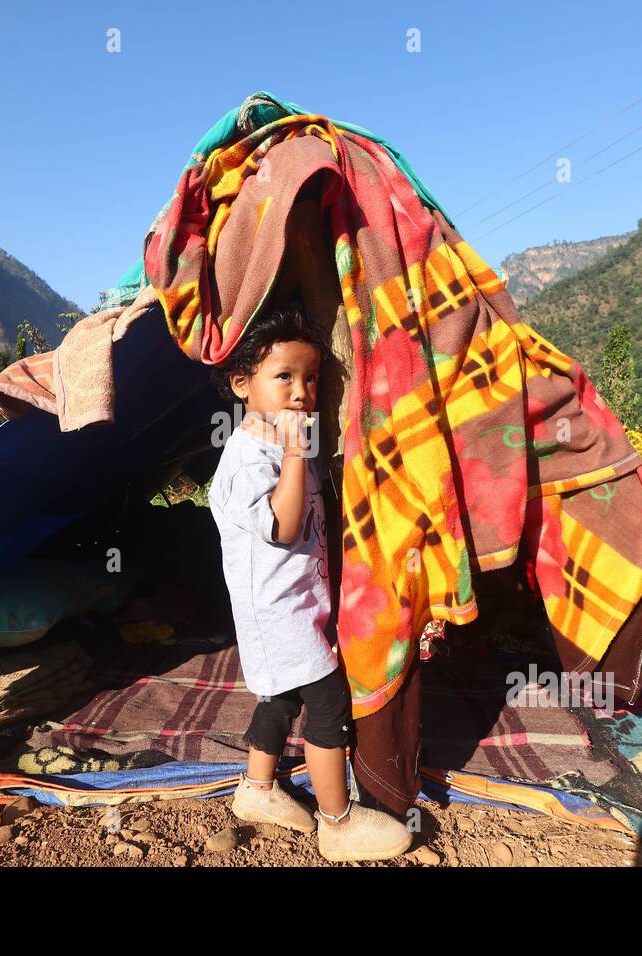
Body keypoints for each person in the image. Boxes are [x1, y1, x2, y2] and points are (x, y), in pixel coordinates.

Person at [207, 303, 413, 863]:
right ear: (242, 384)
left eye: (311, 377)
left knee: (280, 698)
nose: (301, 391)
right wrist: (299, 452)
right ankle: (337, 821)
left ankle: (256, 789)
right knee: (326, 701)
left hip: (298, 604)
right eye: (283, 377)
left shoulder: (279, 445)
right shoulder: (250, 457)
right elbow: (284, 525)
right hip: (277, 613)